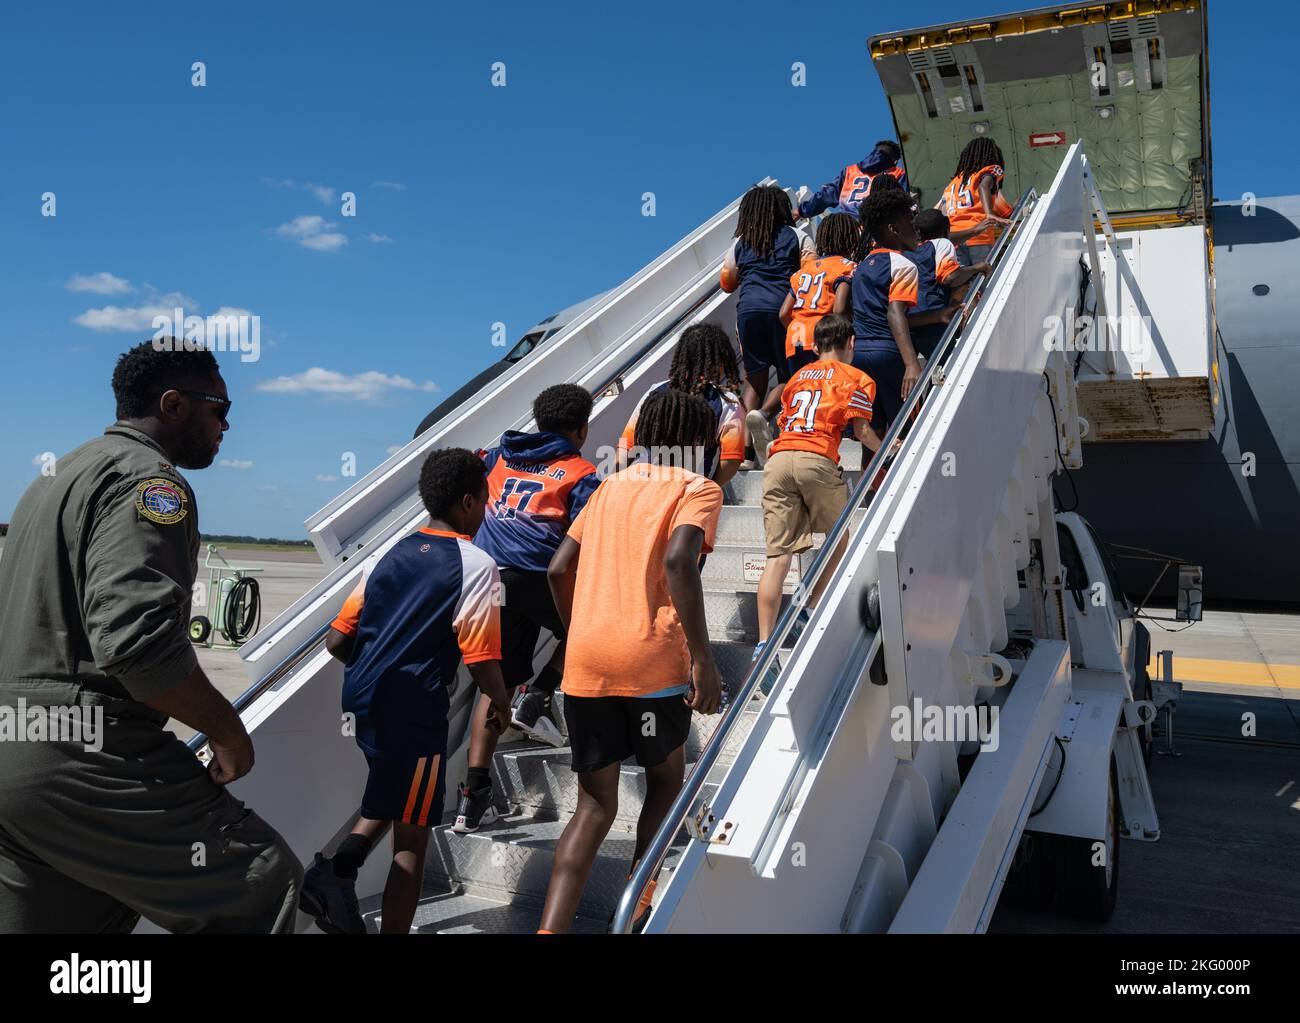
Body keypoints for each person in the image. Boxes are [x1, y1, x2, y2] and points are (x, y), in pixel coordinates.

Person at [0, 339, 302, 934]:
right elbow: (136, 644)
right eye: (220, 408)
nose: (227, 425)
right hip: (81, 752)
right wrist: (228, 732)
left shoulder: (55, 478)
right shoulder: (148, 482)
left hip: (14, 756)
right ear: (173, 404)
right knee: (261, 884)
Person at [300, 449, 513, 935]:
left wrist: (377, 672)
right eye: (484, 501)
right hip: (413, 710)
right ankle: (340, 883)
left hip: (361, 700)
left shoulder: (384, 554)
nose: (486, 512)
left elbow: (338, 640)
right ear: (465, 503)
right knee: (412, 838)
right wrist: (502, 705)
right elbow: (481, 658)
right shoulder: (476, 565)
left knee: (391, 796)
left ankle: (332, 875)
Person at [539, 388, 724, 934]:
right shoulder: (698, 487)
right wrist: (706, 661)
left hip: (588, 661)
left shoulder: (607, 486)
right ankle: (633, 910)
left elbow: (556, 570)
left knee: (593, 807)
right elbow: (678, 561)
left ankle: (550, 929)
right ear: (699, 440)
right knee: (666, 781)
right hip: (650, 663)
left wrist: (582, 629)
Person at [453, 384, 600, 834]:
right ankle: (538, 698)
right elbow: (583, 542)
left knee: (494, 683)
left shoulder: (498, 454)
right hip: (535, 576)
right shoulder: (579, 471)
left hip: (485, 576)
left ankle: (472, 800)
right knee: (588, 628)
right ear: (581, 428)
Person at [752, 315, 883, 691]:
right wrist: (889, 447)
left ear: (816, 345)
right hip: (816, 458)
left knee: (777, 557)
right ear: (851, 343)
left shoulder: (797, 377)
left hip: (778, 460)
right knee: (838, 539)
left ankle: (763, 645)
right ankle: (807, 608)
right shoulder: (857, 378)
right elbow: (860, 430)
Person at [748, 212, 861, 464]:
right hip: (824, 335)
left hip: (795, 335)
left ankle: (767, 415)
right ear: (849, 238)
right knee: (826, 393)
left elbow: (784, 312)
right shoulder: (846, 266)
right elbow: (840, 308)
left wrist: (798, 328)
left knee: (795, 385)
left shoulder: (804, 271)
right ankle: (828, 439)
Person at [720, 184, 814, 420]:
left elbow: (726, 283)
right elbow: (811, 277)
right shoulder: (798, 237)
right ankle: (764, 415)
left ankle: (745, 452)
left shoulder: (740, 243)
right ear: (783, 209)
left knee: (754, 382)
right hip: (784, 312)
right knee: (789, 375)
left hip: (748, 311)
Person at [617, 322, 746, 488]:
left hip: (640, 486)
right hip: (686, 491)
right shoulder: (727, 403)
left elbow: (625, 447)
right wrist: (709, 488)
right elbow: (731, 459)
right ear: (720, 360)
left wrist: (618, 481)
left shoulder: (655, 391)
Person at [849, 188, 925, 434]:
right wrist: (912, 363)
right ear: (894, 230)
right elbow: (894, 314)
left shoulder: (861, 267)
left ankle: (870, 474)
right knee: (912, 430)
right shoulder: (902, 264)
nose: (917, 229)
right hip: (888, 354)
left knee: (874, 436)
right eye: (910, 222)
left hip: (859, 354)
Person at [903, 209, 992, 359]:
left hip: (909, 321)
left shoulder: (907, 250)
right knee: (947, 372)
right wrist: (977, 268)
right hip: (935, 319)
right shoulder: (942, 243)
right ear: (946, 230)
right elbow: (950, 277)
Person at [938, 137, 1014, 266]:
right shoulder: (992, 169)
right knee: (986, 281)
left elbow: (941, 209)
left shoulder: (954, 182)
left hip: (954, 237)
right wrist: (989, 214)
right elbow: (983, 187)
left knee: (966, 283)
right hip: (979, 234)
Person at [796, 141, 907, 221]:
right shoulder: (897, 173)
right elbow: (903, 205)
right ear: (895, 160)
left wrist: (802, 211)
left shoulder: (850, 170)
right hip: (872, 229)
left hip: (846, 227)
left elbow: (826, 196)